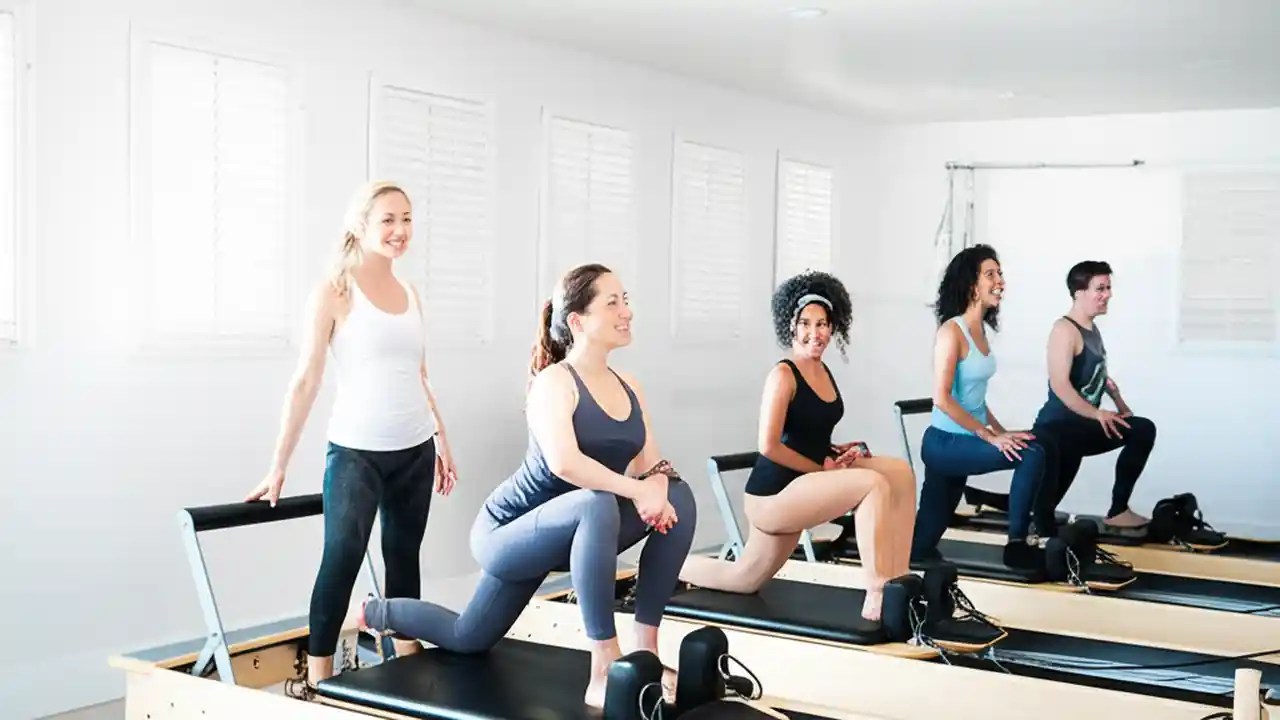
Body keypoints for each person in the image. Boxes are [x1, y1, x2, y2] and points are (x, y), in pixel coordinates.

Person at [354, 263, 697, 709]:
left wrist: (657, 483)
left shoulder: (630, 385)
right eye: (613, 303)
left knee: (680, 497)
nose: (626, 311)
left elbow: (652, 462)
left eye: (625, 300)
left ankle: (644, 653)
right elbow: (565, 464)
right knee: (593, 505)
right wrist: (638, 490)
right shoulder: (554, 383)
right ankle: (602, 666)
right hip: (509, 533)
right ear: (577, 321)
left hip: (582, 529)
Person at [243, 181, 458, 690]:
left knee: (404, 558)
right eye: (387, 220)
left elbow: (419, 375)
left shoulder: (411, 294)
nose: (400, 230)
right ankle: (316, 683)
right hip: (357, 451)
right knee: (341, 555)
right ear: (359, 225)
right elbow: (306, 381)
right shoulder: (334, 292)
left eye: (407, 218)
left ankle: (410, 670)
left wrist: (442, 439)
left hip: (414, 449)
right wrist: (278, 465)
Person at [678, 271, 916, 622]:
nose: (814, 333)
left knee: (898, 472)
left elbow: (806, 432)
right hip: (773, 496)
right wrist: (823, 469)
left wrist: (833, 450)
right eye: (806, 323)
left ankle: (900, 581)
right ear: (791, 324)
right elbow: (770, 446)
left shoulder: (821, 370)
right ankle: (877, 589)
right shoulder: (784, 374)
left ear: (834, 328)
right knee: (873, 486)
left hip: (803, 485)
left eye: (822, 324)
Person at [910, 244, 1048, 571]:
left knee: (921, 543)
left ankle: (1034, 530)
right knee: (1033, 455)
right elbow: (942, 398)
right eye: (991, 274)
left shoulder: (980, 332)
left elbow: (975, 400)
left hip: (964, 441)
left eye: (1000, 273)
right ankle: (1017, 545)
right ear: (972, 284)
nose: (1000, 280)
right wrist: (989, 437)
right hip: (945, 444)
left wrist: (1003, 432)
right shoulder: (951, 332)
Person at [1030, 261, 1155, 536]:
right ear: (1078, 292)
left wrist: (1119, 403)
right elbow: (1060, 386)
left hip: (1079, 428)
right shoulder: (1064, 330)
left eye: (1108, 288)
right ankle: (1028, 521)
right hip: (1056, 430)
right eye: (1100, 288)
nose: (1107, 294)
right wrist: (1099, 414)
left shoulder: (1092, 331)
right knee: (1042, 514)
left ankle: (1119, 511)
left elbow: (1099, 379)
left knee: (1141, 429)